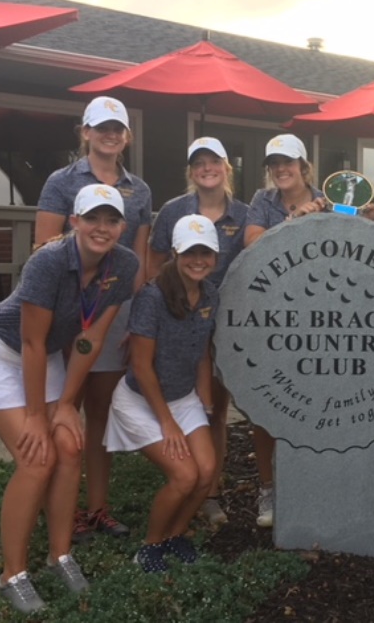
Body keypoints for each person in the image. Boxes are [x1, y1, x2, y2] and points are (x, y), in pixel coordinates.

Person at [0, 184, 138, 614]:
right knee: (36, 457)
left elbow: (90, 338)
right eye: (92, 218)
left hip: (51, 354)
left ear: (122, 226)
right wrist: (40, 415)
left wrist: (65, 407)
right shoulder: (50, 261)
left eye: (111, 219)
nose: (102, 227)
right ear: (74, 221)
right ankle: (11, 575)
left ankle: (59, 556)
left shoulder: (125, 264)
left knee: (70, 446)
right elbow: (32, 341)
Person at [35, 96, 152, 541]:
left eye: (117, 128)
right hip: (68, 312)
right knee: (62, 408)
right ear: (85, 132)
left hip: (115, 313)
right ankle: (57, 507)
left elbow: (138, 260)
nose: (109, 134)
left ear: (127, 136)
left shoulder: (139, 191)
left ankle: (98, 508)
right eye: (101, 126)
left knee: (101, 412)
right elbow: (44, 247)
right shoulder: (60, 181)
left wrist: (136, 319)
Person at [104, 214, 220, 573]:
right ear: (174, 252)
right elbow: (141, 365)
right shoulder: (152, 297)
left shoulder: (210, 293)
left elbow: (201, 350)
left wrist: (206, 400)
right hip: (141, 400)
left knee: (207, 471)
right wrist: (167, 423)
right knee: (184, 476)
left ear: (215, 255)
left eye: (205, 252)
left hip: (183, 397)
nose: (198, 260)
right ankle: (149, 547)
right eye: (190, 252)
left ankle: (175, 534)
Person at [147, 137, 248, 527]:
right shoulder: (173, 211)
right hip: (177, 321)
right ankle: (181, 477)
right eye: (198, 163)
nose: (207, 168)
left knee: (214, 409)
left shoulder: (244, 212)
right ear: (191, 172)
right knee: (176, 398)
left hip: (223, 327)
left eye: (214, 161)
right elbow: (154, 261)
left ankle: (210, 490)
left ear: (226, 167)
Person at [243, 134, 326, 527]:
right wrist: (296, 220)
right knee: (266, 403)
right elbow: (253, 244)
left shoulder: (327, 196)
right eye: (274, 163)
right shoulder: (263, 202)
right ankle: (268, 488)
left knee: (313, 402)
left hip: (320, 314)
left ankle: (307, 484)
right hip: (272, 314)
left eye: (287, 162)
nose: (280, 170)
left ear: (303, 166)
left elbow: (355, 231)